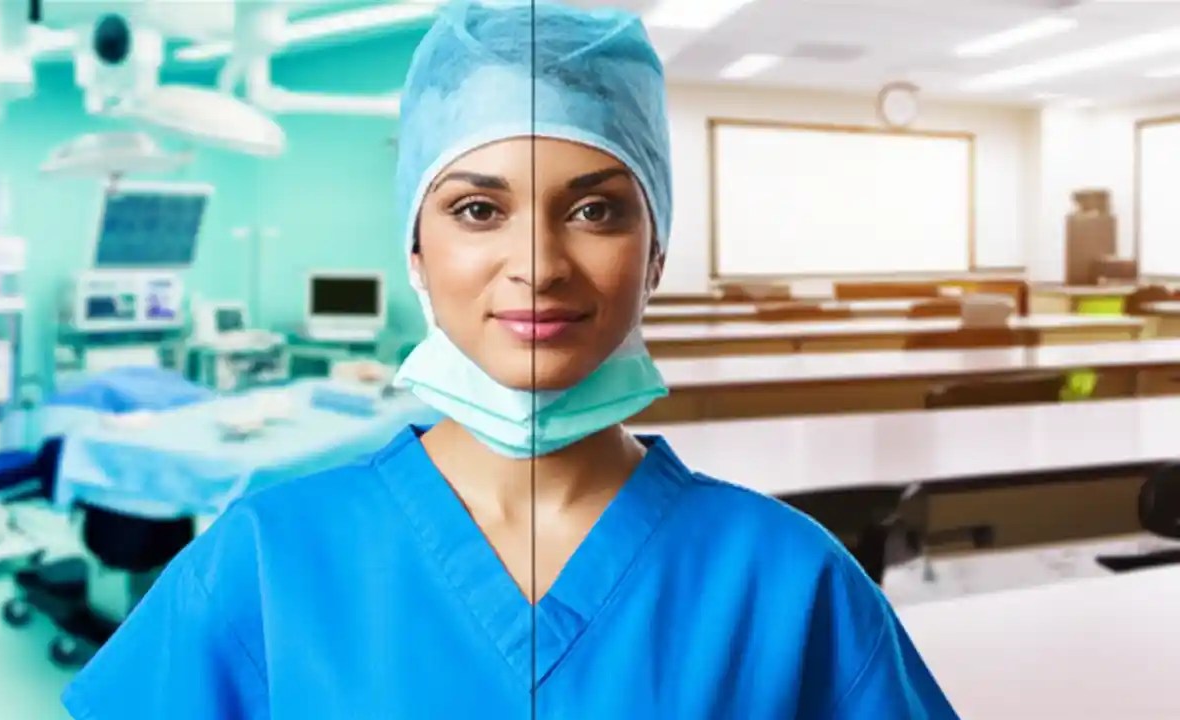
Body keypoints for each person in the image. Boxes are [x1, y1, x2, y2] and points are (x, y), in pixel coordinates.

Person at [61, 1, 959, 718]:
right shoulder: (264, 559)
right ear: (415, 249)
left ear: (656, 252)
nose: (537, 265)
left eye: (596, 209)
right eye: (478, 210)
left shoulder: (788, 583)